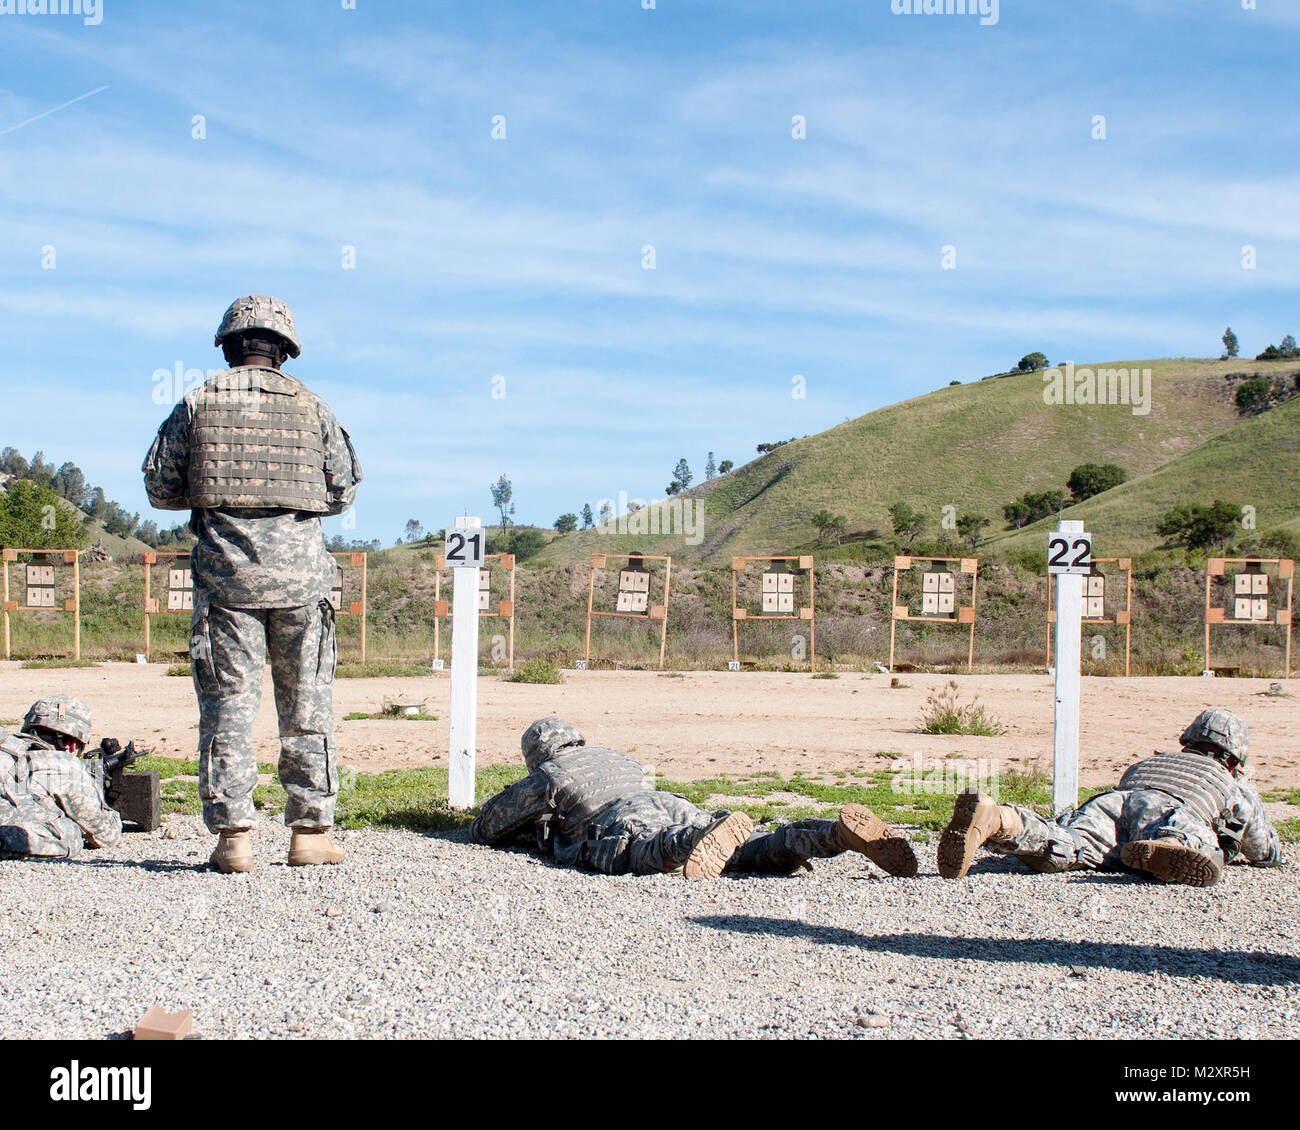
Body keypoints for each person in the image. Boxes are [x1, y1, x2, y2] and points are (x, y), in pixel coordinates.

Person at [142, 295, 362, 873]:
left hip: (225, 584)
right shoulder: (315, 408)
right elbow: (342, 492)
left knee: (228, 710)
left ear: (228, 346)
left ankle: (234, 838)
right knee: (308, 707)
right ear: (285, 349)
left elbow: (161, 490)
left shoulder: (196, 402)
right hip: (303, 586)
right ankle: (309, 833)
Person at [471, 716, 918, 878]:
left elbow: (489, 826)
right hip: (666, 800)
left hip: (616, 817)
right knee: (750, 849)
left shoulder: (549, 774)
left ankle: (695, 840)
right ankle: (833, 835)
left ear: (539, 755)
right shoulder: (614, 755)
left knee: (638, 851)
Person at [938, 707, 1283, 886]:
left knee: (1068, 843)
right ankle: (1172, 849)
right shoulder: (1229, 780)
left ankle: (1003, 820)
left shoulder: (1153, 760)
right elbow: (1263, 849)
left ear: (1188, 740)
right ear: (1234, 757)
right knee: (1193, 836)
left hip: (1114, 801)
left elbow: (1129, 787)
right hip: (1177, 809)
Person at [0, 696, 121, 859]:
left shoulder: (7, 746)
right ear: (72, 744)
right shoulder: (64, 764)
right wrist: (101, 799)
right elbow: (105, 834)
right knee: (69, 833)